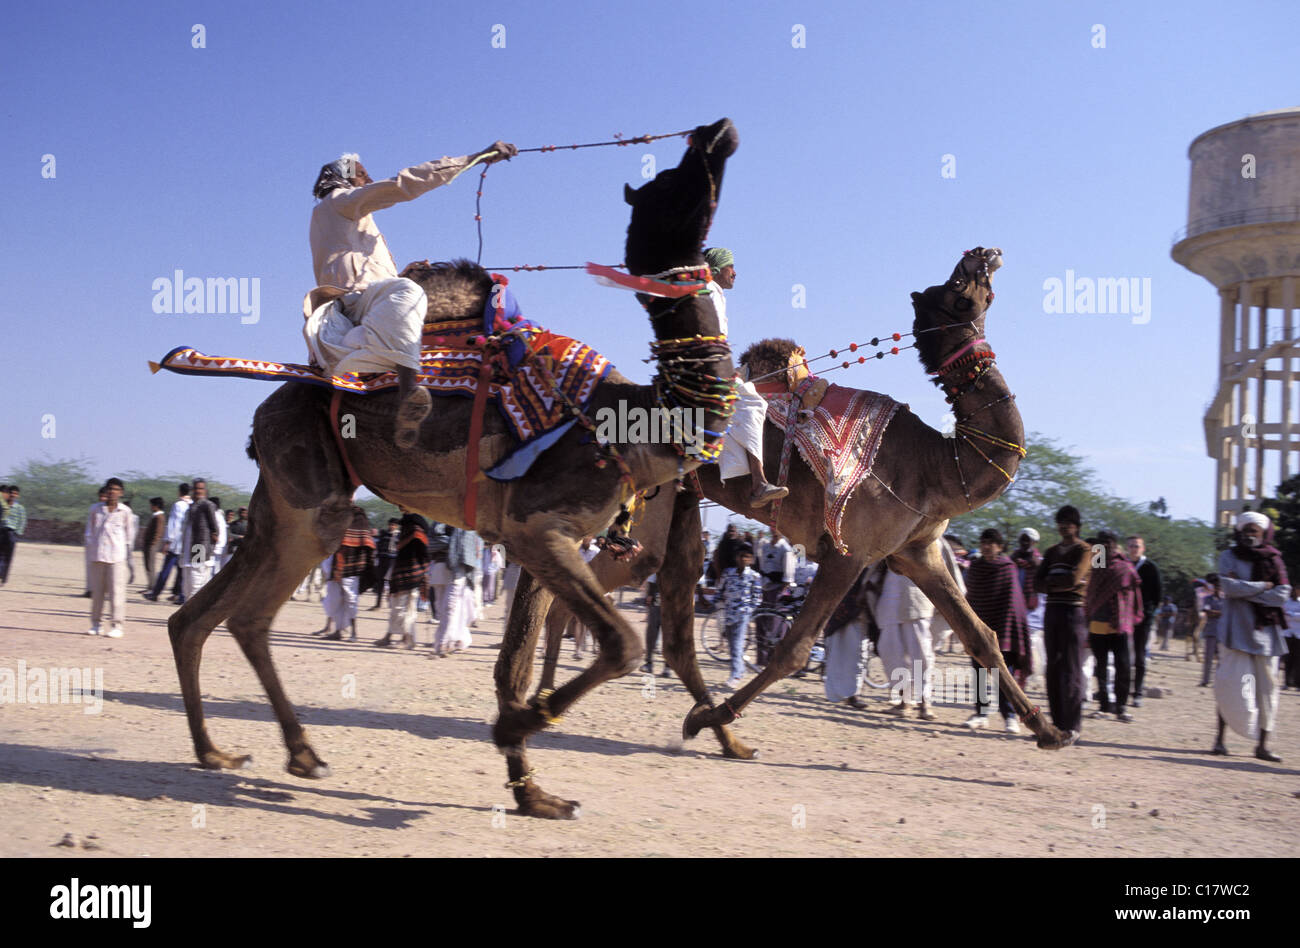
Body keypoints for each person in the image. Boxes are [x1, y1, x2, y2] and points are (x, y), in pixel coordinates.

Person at [306, 141, 517, 449]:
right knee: (409, 292)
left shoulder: (339, 218)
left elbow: (356, 269)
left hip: (359, 305)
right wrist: (473, 158)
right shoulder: (340, 202)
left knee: (408, 288)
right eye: (362, 174)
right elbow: (403, 185)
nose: (368, 179)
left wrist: (401, 274)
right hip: (355, 305)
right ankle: (408, 392)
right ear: (347, 177)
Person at [705, 248, 788, 507]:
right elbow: (709, 337)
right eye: (731, 267)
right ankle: (758, 483)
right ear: (717, 270)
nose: (735, 272)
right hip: (711, 371)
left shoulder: (711, 293)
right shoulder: (709, 292)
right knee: (754, 405)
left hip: (714, 367)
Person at [1211, 512, 1288, 761]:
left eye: (1255, 530)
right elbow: (1228, 587)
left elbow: (1282, 594)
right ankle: (1220, 741)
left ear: (1263, 532)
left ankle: (1262, 746)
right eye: (1247, 530)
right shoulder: (1228, 556)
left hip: (1266, 633)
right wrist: (1262, 586)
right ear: (1239, 531)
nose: (1250, 535)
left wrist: (1244, 589)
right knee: (1229, 684)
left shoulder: (1274, 559)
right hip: (1235, 631)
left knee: (1268, 691)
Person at [875, 539, 962, 720]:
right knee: (891, 654)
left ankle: (925, 704)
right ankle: (904, 702)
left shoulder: (932, 538)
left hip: (917, 599)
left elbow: (946, 572)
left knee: (921, 656)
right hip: (890, 600)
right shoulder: (891, 532)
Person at [963, 529, 1033, 734]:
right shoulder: (975, 569)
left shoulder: (1007, 568)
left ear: (1000, 547)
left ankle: (1009, 716)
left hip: (1003, 632)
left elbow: (1012, 604)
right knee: (978, 673)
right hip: (978, 631)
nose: (986, 546)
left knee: (1003, 676)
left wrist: (1003, 633)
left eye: (991, 543)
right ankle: (980, 714)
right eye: (984, 542)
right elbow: (970, 601)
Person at [1033, 505, 1091, 742]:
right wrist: (1060, 583)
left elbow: (1074, 578)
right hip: (1053, 611)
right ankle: (1056, 725)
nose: (1064, 526)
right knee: (1053, 669)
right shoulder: (1052, 551)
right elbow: (1037, 584)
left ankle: (1073, 727)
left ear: (1077, 525)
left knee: (1072, 670)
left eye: (1068, 522)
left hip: (1073, 613)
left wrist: (1053, 583)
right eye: (1061, 522)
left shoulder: (1085, 549)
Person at [1084, 531, 1143, 723]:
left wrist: (1134, 616)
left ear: (1115, 545)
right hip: (1098, 623)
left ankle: (1121, 707)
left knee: (1123, 666)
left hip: (1121, 624)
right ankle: (1103, 705)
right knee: (1100, 667)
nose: (1105, 546)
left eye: (1109, 543)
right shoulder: (1096, 565)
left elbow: (1135, 593)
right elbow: (1090, 591)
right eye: (1102, 543)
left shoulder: (1125, 566)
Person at [85, 478, 136, 638]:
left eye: (115, 489)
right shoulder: (95, 509)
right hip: (98, 555)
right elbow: (89, 532)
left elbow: (129, 536)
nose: (112, 492)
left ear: (121, 492)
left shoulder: (125, 511)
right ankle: (96, 624)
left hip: (117, 556)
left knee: (117, 592)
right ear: (105, 491)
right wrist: (91, 553)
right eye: (109, 489)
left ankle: (117, 625)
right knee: (97, 592)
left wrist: (128, 557)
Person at [374, 513, 429, 649]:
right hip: (401, 571)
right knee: (396, 606)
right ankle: (389, 636)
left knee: (407, 608)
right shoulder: (407, 532)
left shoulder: (416, 533)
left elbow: (424, 555)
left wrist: (422, 572)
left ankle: (407, 639)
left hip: (412, 573)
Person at [321, 507, 376, 641]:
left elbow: (367, 548)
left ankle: (353, 633)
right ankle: (339, 631)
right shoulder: (340, 519)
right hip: (336, 568)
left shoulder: (358, 522)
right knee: (335, 600)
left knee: (350, 600)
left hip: (352, 569)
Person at [822, 567, 874, 708]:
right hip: (838, 611)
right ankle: (836, 694)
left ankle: (853, 695)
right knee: (837, 655)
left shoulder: (869, 562)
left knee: (857, 655)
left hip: (857, 613)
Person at [716, 543, 763, 689]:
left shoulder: (754, 576)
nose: (743, 559)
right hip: (729, 613)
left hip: (743, 615)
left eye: (747, 557)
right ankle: (741, 669)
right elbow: (720, 590)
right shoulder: (728, 573)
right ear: (737, 557)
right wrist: (714, 602)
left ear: (751, 559)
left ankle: (735, 675)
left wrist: (749, 610)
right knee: (732, 645)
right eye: (741, 556)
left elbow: (758, 597)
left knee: (736, 646)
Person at [1124, 535, 1162, 707]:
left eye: (1137, 546)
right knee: (1122, 656)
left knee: (1139, 657)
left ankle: (1137, 692)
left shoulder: (1150, 567)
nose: (1134, 548)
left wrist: (1149, 613)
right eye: (1131, 546)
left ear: (1143, 548)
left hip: (1143, 618)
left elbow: (1158, 594)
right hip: (1123, 618)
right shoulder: (1123, 565)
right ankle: (1122, 691)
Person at [434, 527, 482, 655]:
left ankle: (445, 643)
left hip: (459, 570)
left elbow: (471, 547)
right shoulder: (440, 525)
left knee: (451, 607)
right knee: (444, 607)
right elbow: (433, 540)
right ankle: (452, 641)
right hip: (441, 567)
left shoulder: (466, 526)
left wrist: (447, 546)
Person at [143, 483, 191, 603]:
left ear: (179, 492)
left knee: (166, 569)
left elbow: (174, 524)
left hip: (176, 544)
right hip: (187, 544)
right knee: (182, 572)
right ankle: (181, 595)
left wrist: (168, 541)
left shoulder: (178, 505)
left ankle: (155, 593)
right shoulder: (192, 505)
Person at [178, 479, 220, 603]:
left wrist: (209, 548)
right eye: (196, 488)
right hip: (187, 549)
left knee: (196, 584)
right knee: (186, 586)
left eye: (200, 489)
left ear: (205, 491)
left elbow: (215, 530)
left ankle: (191, 618)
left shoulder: (207, 505)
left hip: (199, 548)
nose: (198, 491)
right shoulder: (190, 507)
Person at [81, 487, 107, 597]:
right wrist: (89, 540)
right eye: (100, 496)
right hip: (93, 543)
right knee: (90, 567)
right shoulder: (95, 508)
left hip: (106, 544)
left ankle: (102, 590)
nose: (102, 498)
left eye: (104, 496)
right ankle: (90, 589)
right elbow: (90, 526)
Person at [370, 518, 401, 610]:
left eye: (393, 525)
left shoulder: (399, 535)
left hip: (393, 561)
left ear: (396, 526)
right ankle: (378, 604)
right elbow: (378, 546)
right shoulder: (384, 534)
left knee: (392, 582)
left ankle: (392, 604)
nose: (391, 526)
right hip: (383, 560)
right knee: (380, 582)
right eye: (390, 524)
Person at [1009, 528, 1042, 612]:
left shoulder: (1038, 561)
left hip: (1032, 606)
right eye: (1022, 540)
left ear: (1034, 542)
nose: (1024, 542)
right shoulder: (1012, 560)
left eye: (1027, 540)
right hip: (1013, 603)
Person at [0, 484, 28, 585]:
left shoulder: (20, 508)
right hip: (1, 532)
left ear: (18, 496)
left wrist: (17, 534)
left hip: (11, 533)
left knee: (8, 556)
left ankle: (4, 578)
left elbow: (22, 521)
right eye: (11, 493)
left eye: (15, 494)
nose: (13, 495)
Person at [1198, 574, 1222, 687]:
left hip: (1222, 633)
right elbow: (1208, 612)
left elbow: (1223, 613)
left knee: (1221, 659)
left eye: (1219, 586)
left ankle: (1218, 681)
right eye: (1216, 586)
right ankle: (1205, 680)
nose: (1217, 588)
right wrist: (1220, 613)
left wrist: (1215, 613)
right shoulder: (1207, 599)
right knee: (1208, 657)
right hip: (1211, 630)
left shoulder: (1226, 601)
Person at [140, 497, 166, 591]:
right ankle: (150, 585)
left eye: (152, 505)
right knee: (148, 565)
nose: (150, 507)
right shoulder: (156, 516)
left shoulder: (159, 517)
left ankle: (152, 587)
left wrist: (152, 543)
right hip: (150, 544)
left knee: (150, 565)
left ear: (156, 506)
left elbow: (158, 533)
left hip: (152, 545)